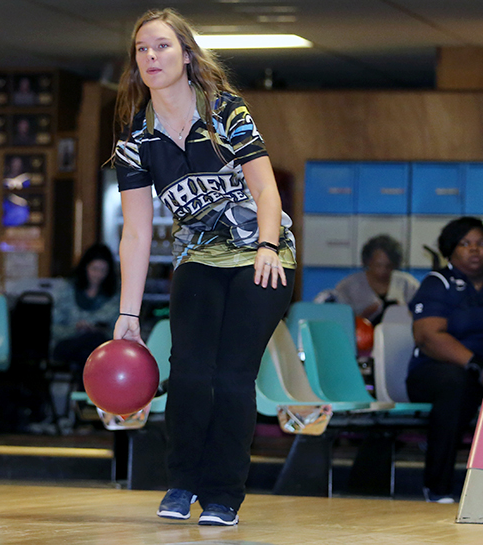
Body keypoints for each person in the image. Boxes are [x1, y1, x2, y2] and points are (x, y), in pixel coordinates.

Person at [110, 8, 295, 526]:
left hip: (262, 254)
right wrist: (128, 315)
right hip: (198, 257)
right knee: (190, 373)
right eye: (143, 49)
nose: (152, 57)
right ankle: (182, 481)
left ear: (186, 54)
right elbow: (136, 231)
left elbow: (265, 187)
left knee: (232, 375)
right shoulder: (135, 137)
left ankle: (222, 496)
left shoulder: (226, 111)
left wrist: (266, 244)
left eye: (163, 46)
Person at [406, 216, 483, 503]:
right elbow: (428, 336)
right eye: (465, 243)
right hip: (436, 371)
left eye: (481, 243)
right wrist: (476, 365)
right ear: (450, 250)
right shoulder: (438, 283)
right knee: (457, 384)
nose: (475, 249)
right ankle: (438, 487)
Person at [49, 243, 120, 369]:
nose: (98, 274)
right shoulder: (67, 290)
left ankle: (83, 386)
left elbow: (118, 333)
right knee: (90, 347)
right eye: (94, 269)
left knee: (92, 346)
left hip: (100, 346)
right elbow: (53, 328)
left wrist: (97, 329)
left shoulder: (114, 296)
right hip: (68, 343)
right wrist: (76, 328)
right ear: (85, 267)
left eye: (103, 270)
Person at [333, 235, 419, 326]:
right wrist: (363, 317)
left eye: (388, 266)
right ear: (367, 262)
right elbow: (340, 320)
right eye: (378, 265)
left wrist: (404, 312)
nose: (383, 270)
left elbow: (421, 312)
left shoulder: (408, 284)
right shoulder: (348, 286)